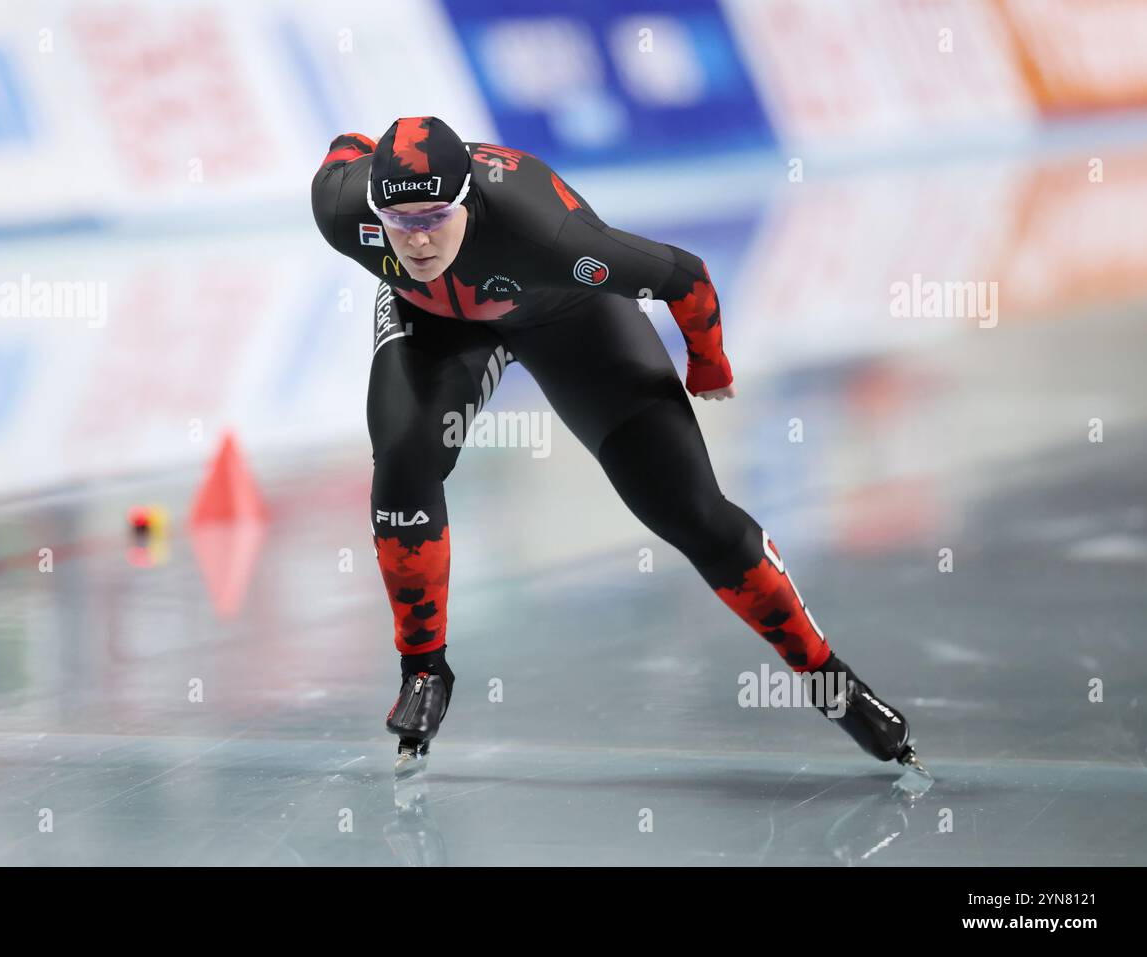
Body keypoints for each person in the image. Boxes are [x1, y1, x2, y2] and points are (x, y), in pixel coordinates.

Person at [311, 116, 923, 777]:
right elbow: (345, 148)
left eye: (436, 215)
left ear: (467, 200)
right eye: (401, 220)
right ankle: (424, 669)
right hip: (432, 324)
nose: (420, 237)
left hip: (569, 317)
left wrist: (709, 364)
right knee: (402, 460)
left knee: (692, 512)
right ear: (374, 211)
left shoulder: (545, 231)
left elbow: (684, 276)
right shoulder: (345, 210)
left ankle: (830, 680)